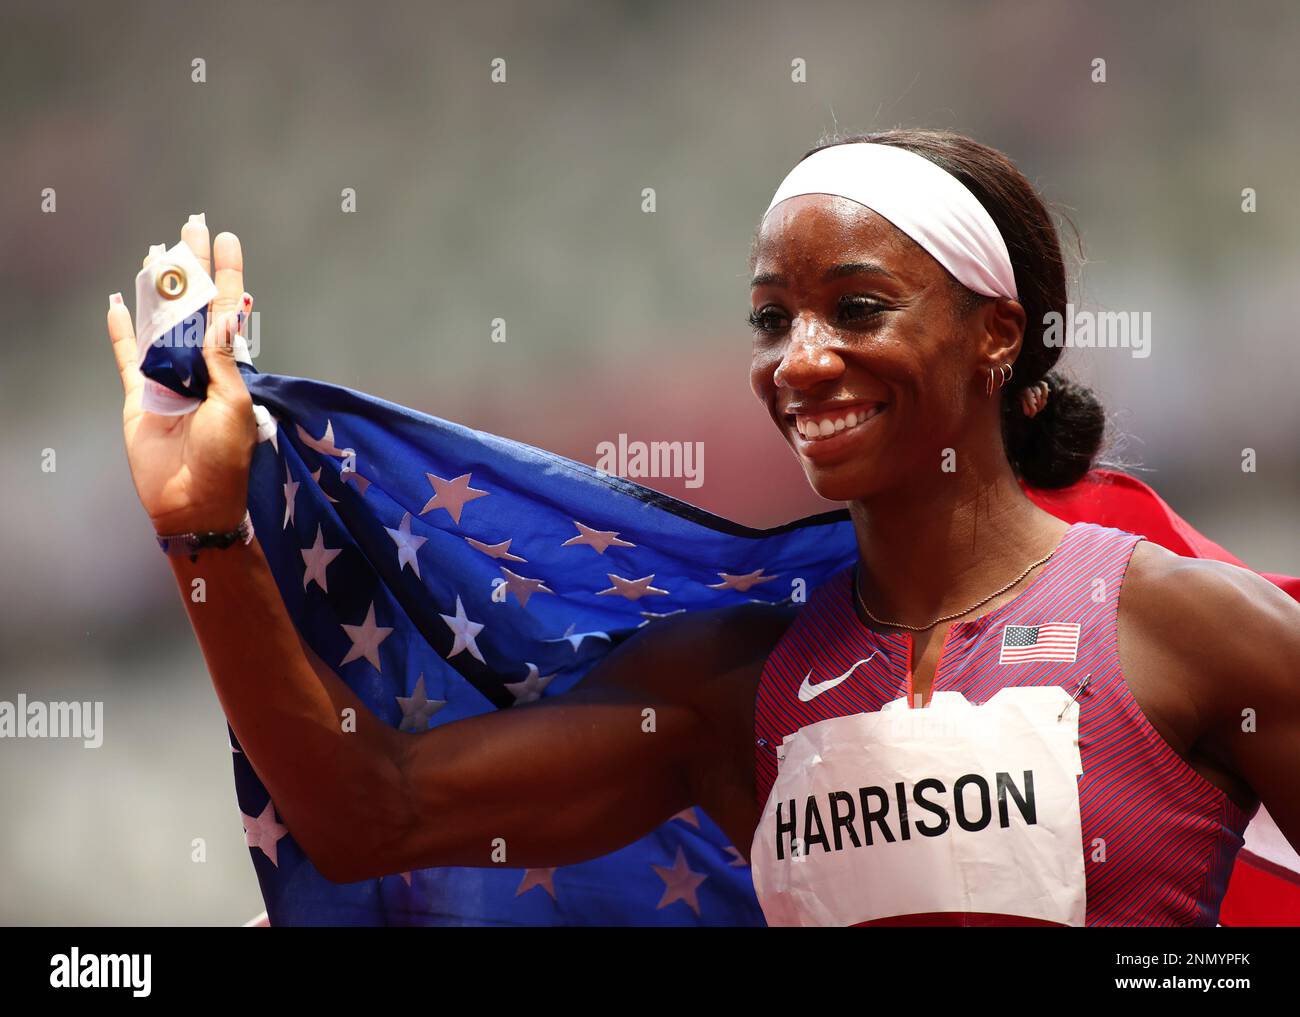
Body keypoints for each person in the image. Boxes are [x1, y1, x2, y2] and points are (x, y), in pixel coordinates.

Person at [105, 128, 1300, 925]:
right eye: (772, 319)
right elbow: (373, 813)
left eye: (858, 308)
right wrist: (204, 527)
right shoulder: (734, 689)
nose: (803, 360)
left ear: (998, 333)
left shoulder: (1191, 633)